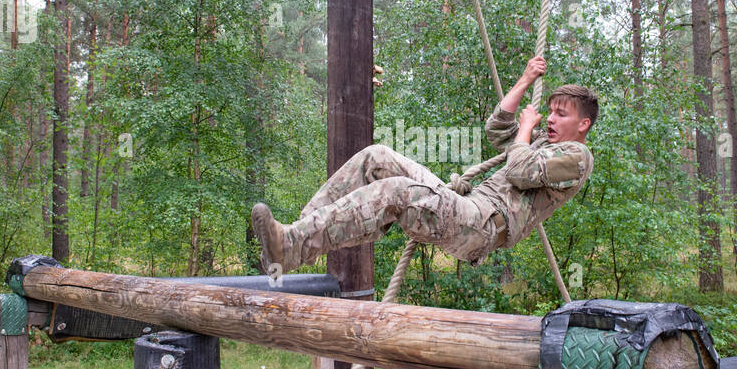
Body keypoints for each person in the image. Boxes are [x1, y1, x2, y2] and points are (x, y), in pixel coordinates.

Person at [250, 56, 595, 277]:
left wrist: (525, 129)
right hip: (467, 207)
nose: (549, 119)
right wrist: (523, 81)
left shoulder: (576, 159)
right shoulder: (540, 144)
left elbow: (520, 170)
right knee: (377, 158)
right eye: (549, 111)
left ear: (583, 125)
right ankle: (296, 234)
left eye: (560, 114)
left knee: (396, 193)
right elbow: (496, 129)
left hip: (480, 227)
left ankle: (292, 245)